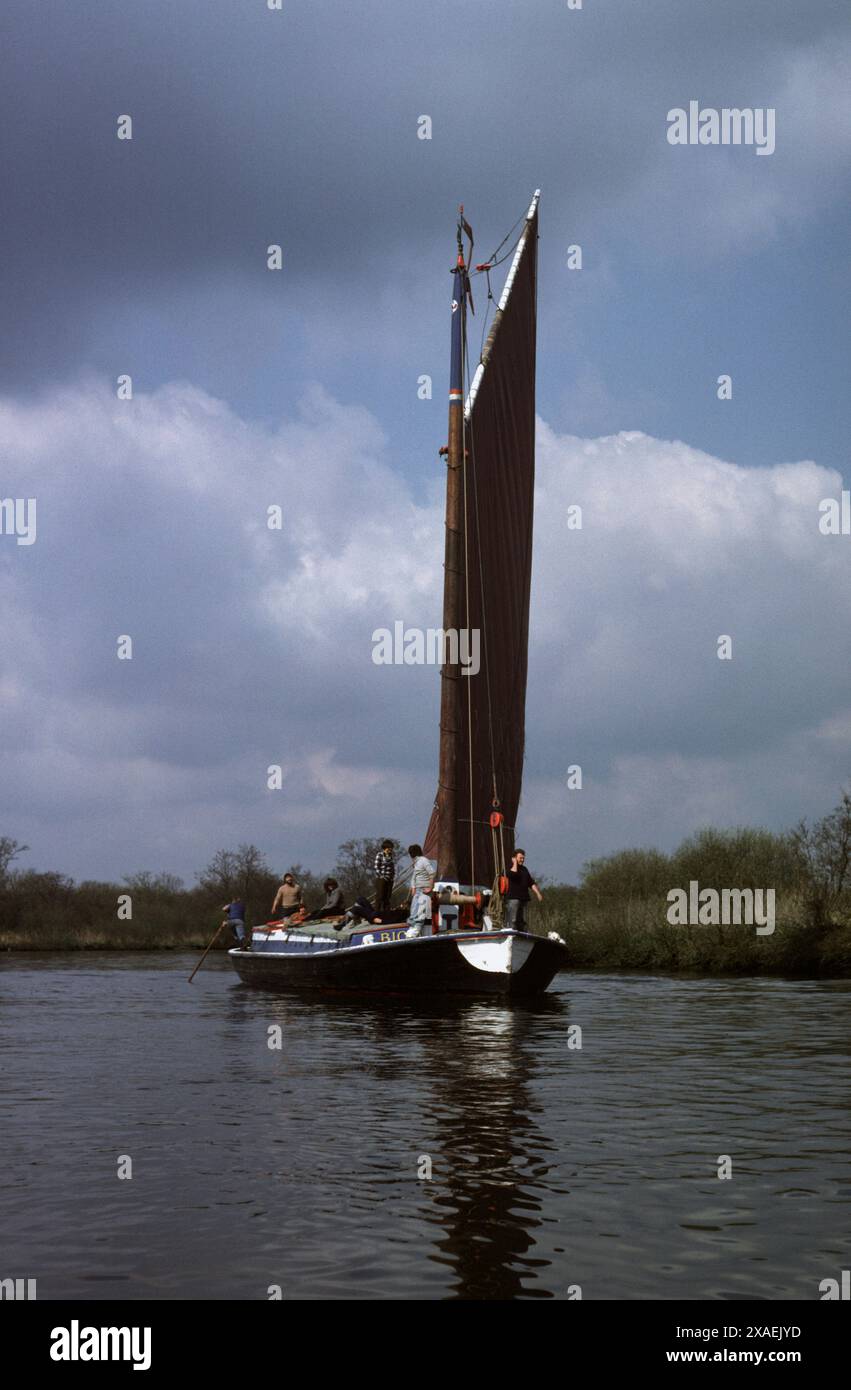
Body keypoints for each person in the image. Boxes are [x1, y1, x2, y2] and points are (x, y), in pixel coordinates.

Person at [504, 849, 542, 931]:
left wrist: (538, 893)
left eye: (523, 858)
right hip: (513, 899)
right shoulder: (510, 868)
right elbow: (513, 874)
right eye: (520, 858)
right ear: (514, 858)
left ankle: (523, 938)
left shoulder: (525, 869)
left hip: (524, 899)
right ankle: (511, 936)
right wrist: (514, 863)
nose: (522, 860)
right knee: (512, 921)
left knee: (523, 921)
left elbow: (531, 882)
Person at [406, 843, 435, 935]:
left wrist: (430, 887)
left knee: (420, 911)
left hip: (424, 890)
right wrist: (413, 887)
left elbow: (432, 873)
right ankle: (413, 928)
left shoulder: (423, 860)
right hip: (418, 890)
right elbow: (415, 876)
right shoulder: (416, 862)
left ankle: (415, 931)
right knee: (414, 910)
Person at [374, 840, 396, 912]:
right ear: (385, 848)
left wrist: (392, 877)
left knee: (387, 897)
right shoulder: (379, 855)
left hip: (390, 879)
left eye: (391, 848)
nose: (390, 850)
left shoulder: (391, 856)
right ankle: (377, 912)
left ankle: (386, 913)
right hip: (382, 879)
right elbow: (377, 867)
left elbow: (392, 867)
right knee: (380, 896)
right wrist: (382, 876)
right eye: (389, 848)